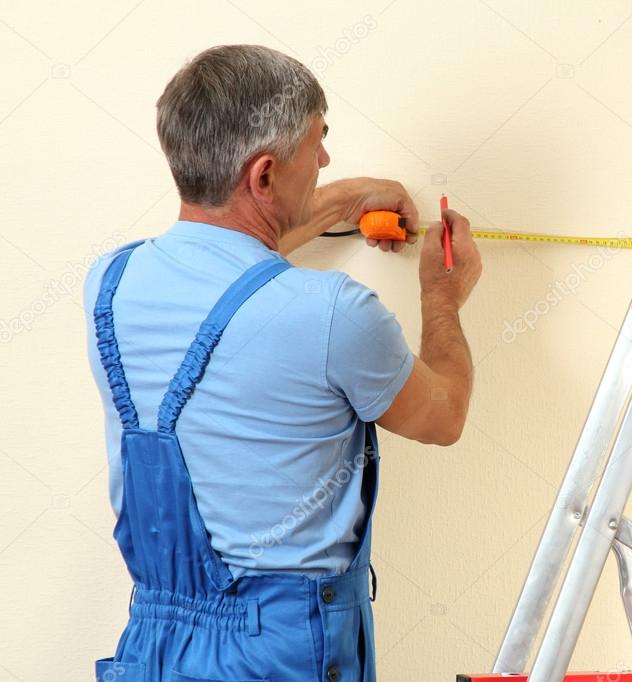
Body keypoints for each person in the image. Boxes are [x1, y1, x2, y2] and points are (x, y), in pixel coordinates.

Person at [84, 44, 482, 681]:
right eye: (317, 142)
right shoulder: (332, 311)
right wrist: (442, 296)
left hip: (153, 647)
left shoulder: (110, 282)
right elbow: (445, 416)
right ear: (264, 176)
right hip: (282, 649)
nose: (324, 159)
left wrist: (346, 198)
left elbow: (233, 253)